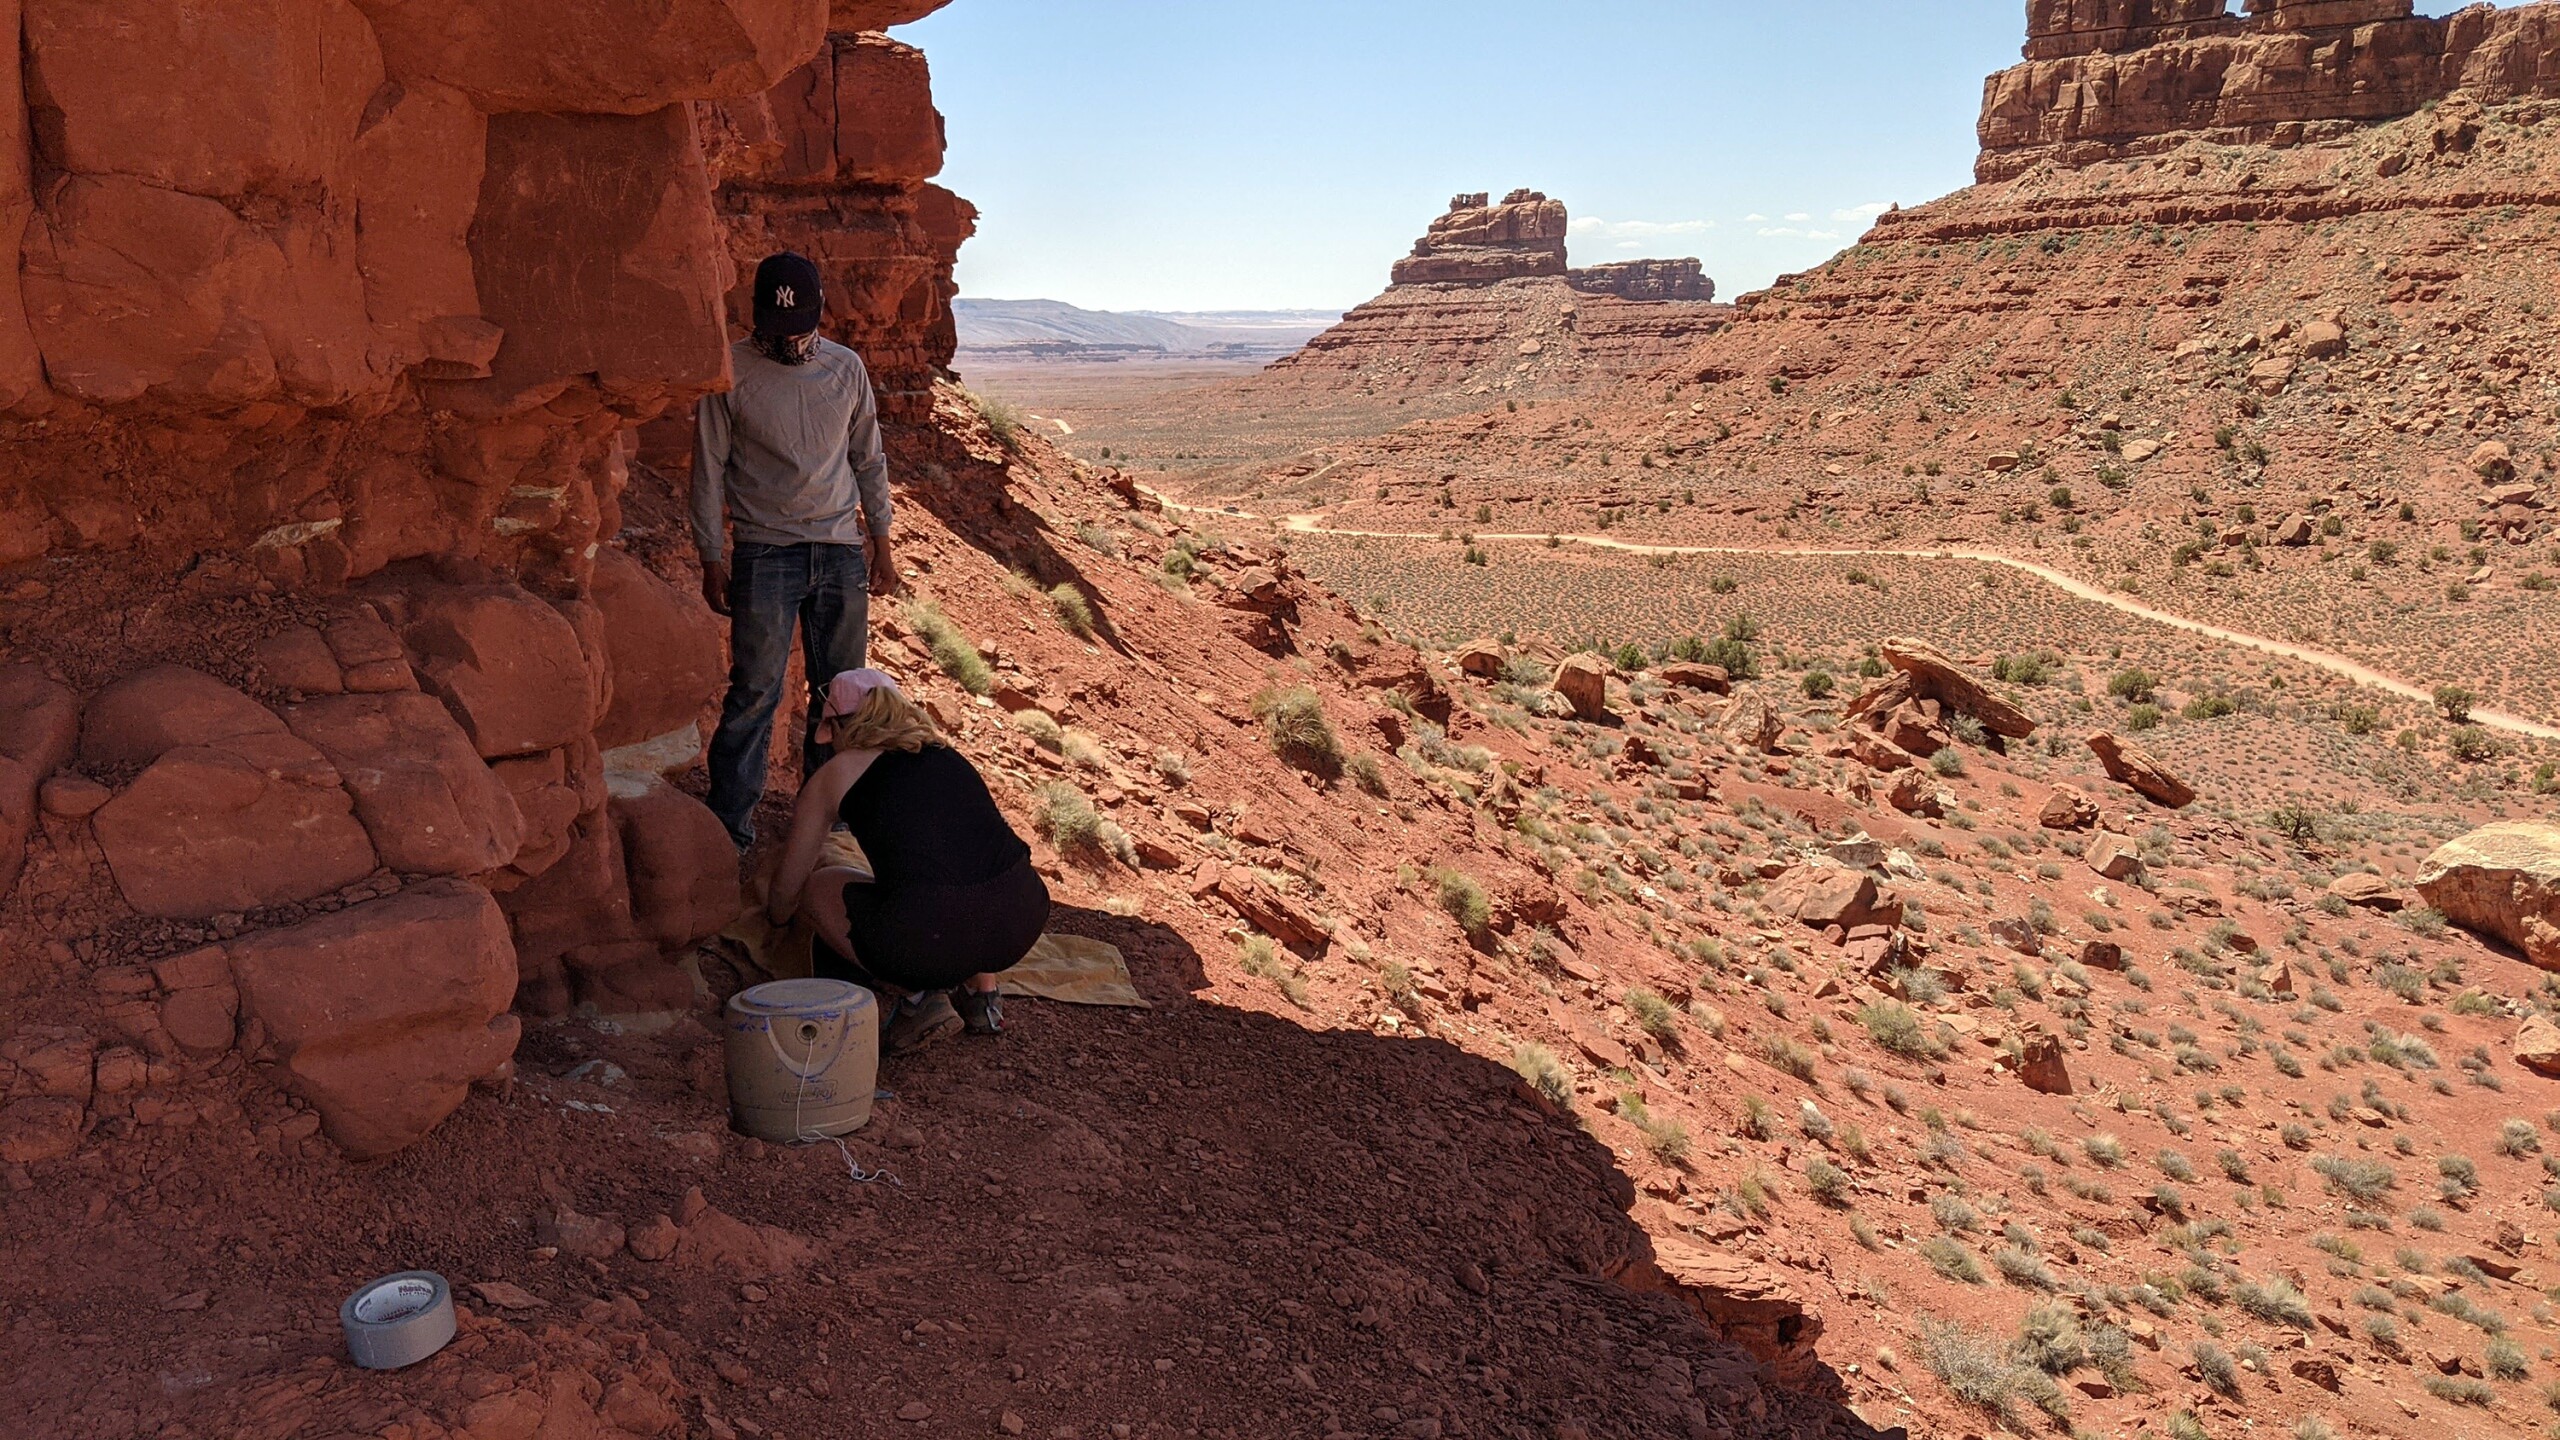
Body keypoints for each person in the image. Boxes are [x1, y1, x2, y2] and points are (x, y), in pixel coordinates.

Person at [693, 251, 901, 849]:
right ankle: (729, 833)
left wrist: (881, 542)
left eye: (799, 326)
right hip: (764, 552)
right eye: (775, 327)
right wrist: (711, 556)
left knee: (842, 696)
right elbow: (707, 468)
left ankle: (828, 832)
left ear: (820, 312)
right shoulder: (731, 369)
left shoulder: (846, 367)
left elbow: (868, 459)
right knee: (755, 691)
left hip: (839, 551)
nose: (787, 339)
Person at [767, 669, 1050, 1051]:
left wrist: (777, 921)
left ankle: (920, 998)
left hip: (932, 940)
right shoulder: (947, 756)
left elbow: (789, 882)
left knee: (818, 888)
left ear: (843, 726)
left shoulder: (837, 774)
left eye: (831, 729)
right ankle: (983, 998)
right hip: (1022, 921)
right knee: (968, 873)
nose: (829, 741)